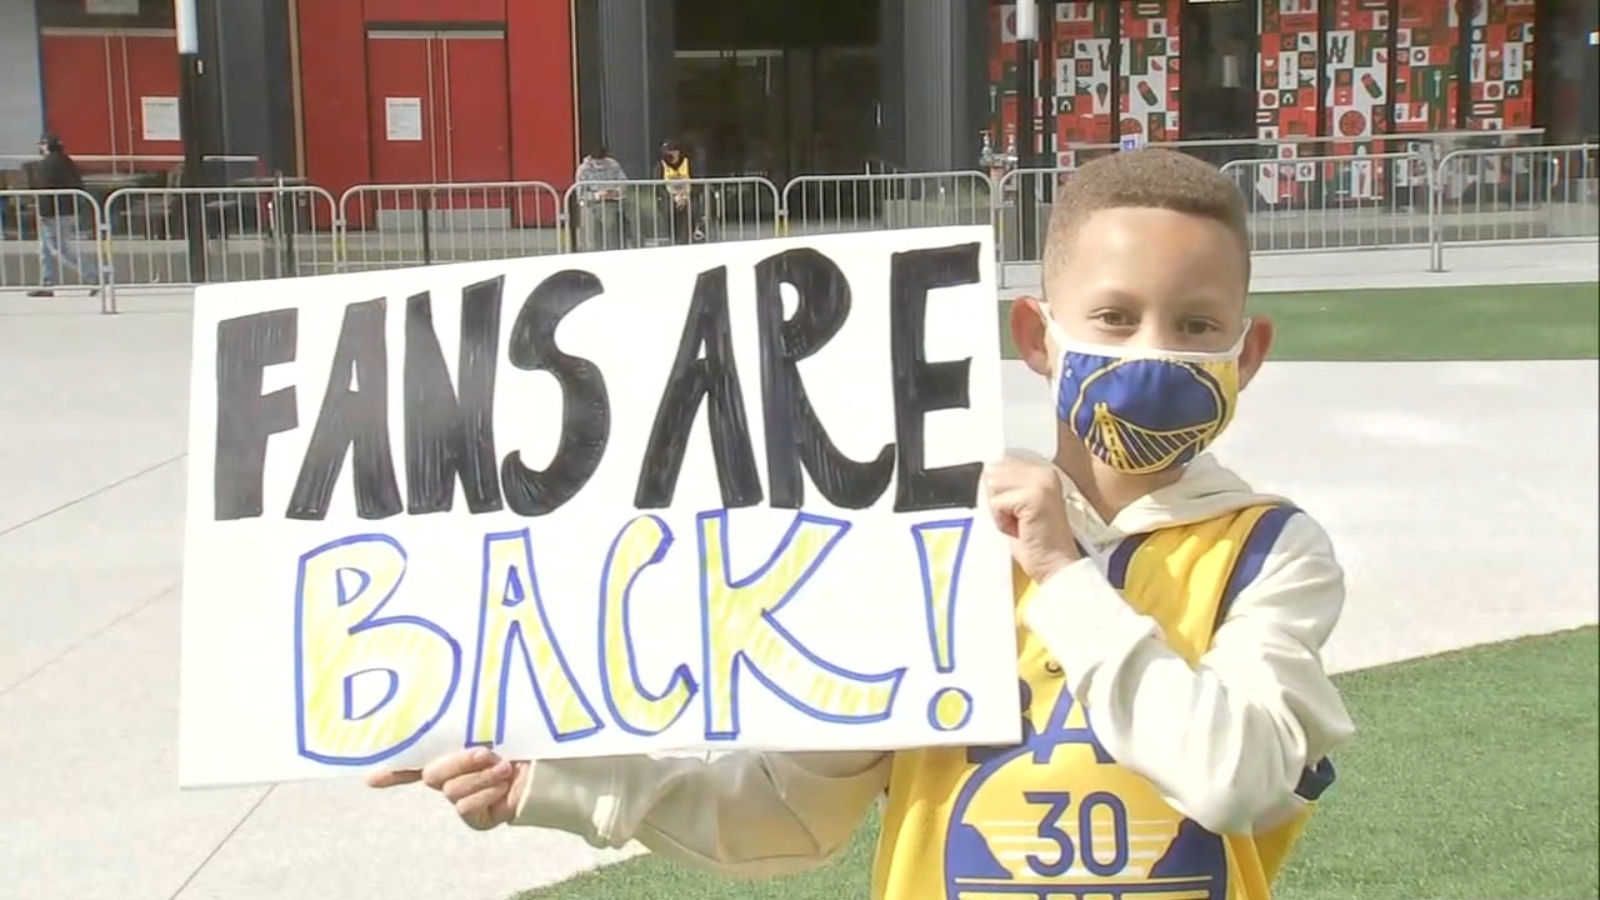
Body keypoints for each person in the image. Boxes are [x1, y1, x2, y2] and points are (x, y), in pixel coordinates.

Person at [368, 149, 1356, 900]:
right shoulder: (938, 543)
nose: (1153, 352)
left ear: (1247, 349)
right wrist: (545, 778)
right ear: (1036, 338)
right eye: (1112, 317)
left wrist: (1062, 575)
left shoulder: (1269, 552)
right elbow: (787, 812)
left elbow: (1233, 780)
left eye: (1193, 326)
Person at [27, 133, 101, 298]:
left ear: (46, 145)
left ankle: (94, 277)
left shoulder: (46, 164)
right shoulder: (67, 162)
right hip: (67, 210)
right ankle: (47, 283)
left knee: (61, 248)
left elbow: (43, 188)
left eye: (42, 144)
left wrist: (42, 212)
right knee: (45, 249)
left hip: (52, 213)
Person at [574, 145, 629, 252]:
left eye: (603, 161)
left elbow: (624, 182)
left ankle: (615, 249)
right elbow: (580, 193)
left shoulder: (613, 165)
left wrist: (617, 192)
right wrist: (597, 195)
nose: (601, 164)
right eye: (598, 162)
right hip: (593, 202)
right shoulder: (583, 169)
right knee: (602, 222)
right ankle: (600, 250)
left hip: (614, 200)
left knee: (613, 219)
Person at [659, 140, 703, 245]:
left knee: (691, 209)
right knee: (669, 209)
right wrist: (674, 197)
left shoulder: (688, 163)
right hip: (669, 197)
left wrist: (685, 196)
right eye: (667, 152)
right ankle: (674, 240)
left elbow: (698, 183)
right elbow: (659, 187)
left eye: (672, 152)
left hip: (688, 196)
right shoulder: (661, 166)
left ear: (678, 152)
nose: (669, 154)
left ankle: (687, 239)